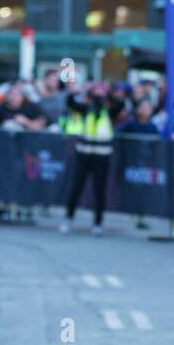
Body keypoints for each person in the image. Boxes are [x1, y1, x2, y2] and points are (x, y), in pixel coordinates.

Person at [60, 82, 116, 235]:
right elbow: (71, 103)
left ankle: (98, 223)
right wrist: (77, 92)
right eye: (96, 90)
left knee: (99, 191)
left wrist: (108, 92)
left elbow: (121, 104)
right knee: (76, 188)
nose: (98, 93)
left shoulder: (109, 111)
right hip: (84, 155)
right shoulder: (86, 109)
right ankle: (68, 219)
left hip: (102, 157)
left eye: (100, 91)